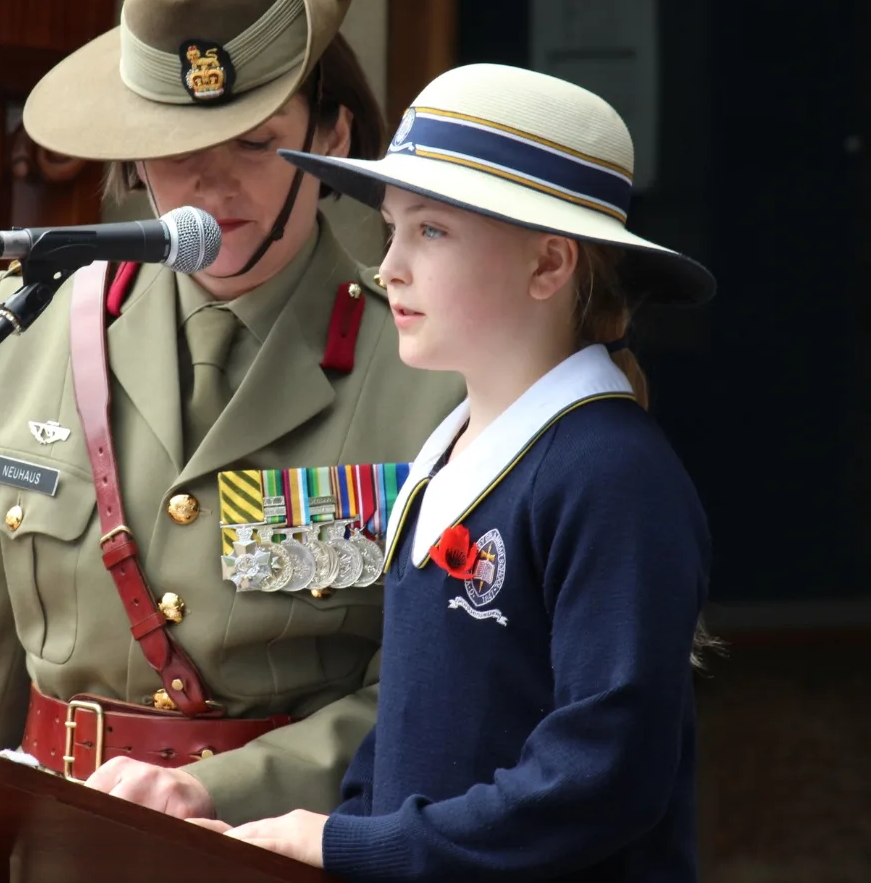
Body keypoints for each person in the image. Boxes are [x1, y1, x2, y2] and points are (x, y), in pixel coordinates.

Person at [0, 0, 463, 826]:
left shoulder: (430, 370)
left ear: (333, 140)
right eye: (177, 146)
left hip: (286, 848)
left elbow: (429, 694)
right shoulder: (24, 324)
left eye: (255, 142)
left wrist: (221, 788)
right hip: (51, 842)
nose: (209, 184)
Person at [193, 63, 717, 881]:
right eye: (392, 228)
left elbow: (604, 773)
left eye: (431, 231)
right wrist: (346, 834)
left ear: (549, 265)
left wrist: (357, 844)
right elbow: (406, 736)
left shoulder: (611, 474)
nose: (389, 266)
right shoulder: (446, 456)